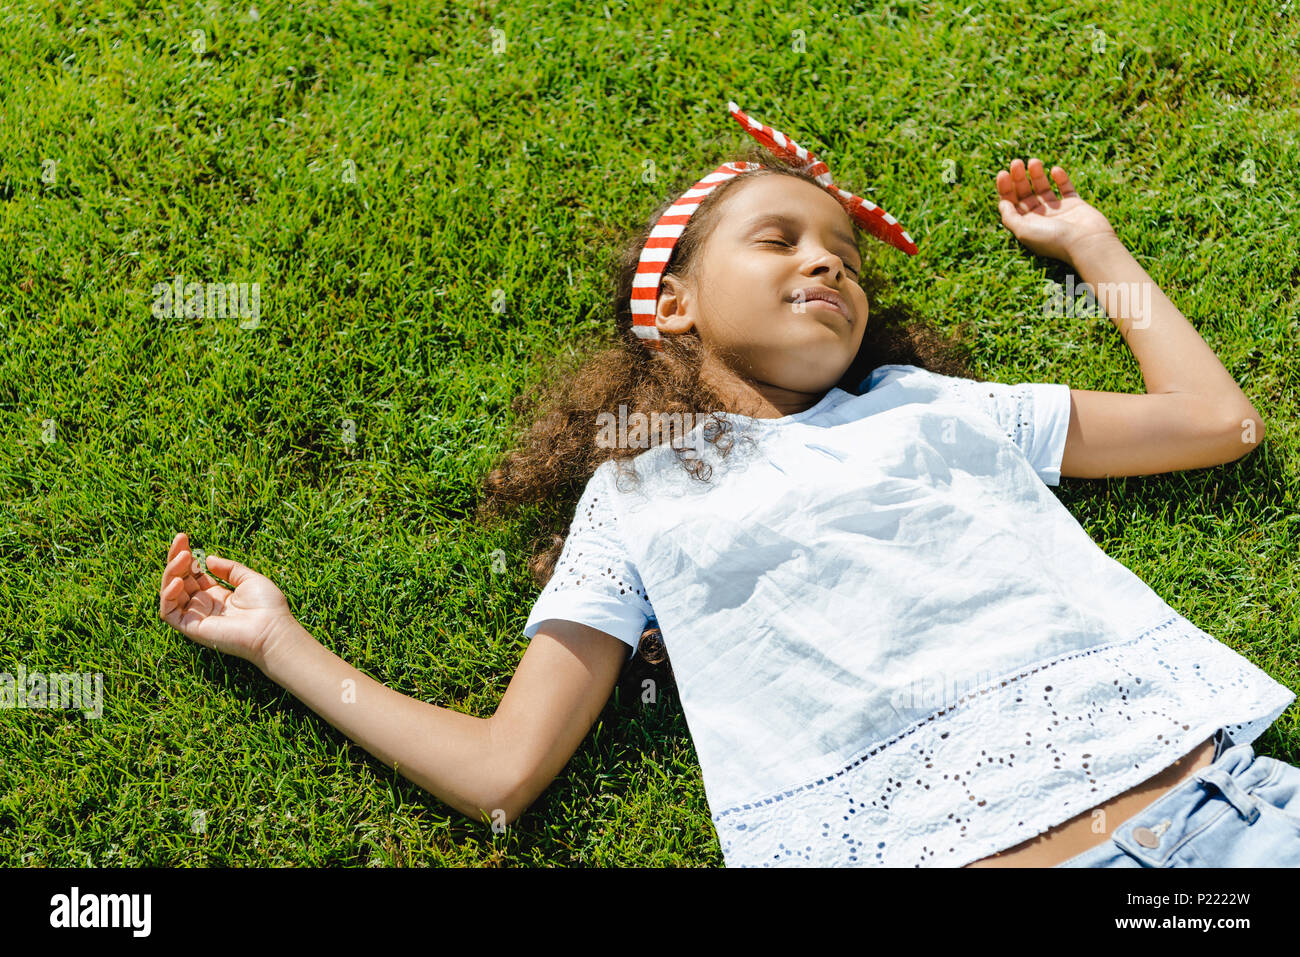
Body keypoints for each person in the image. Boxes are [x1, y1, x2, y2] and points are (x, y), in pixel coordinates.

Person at [158, 104, 1298, 867]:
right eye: (780, 240)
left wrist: (1094, 248)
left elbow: (1216, 425)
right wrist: (278, 643)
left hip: (1219, 829)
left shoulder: (934, 409)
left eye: (844, 257)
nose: (826, 262)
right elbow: (505, 774)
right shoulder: (639, 498)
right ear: (674, 305)